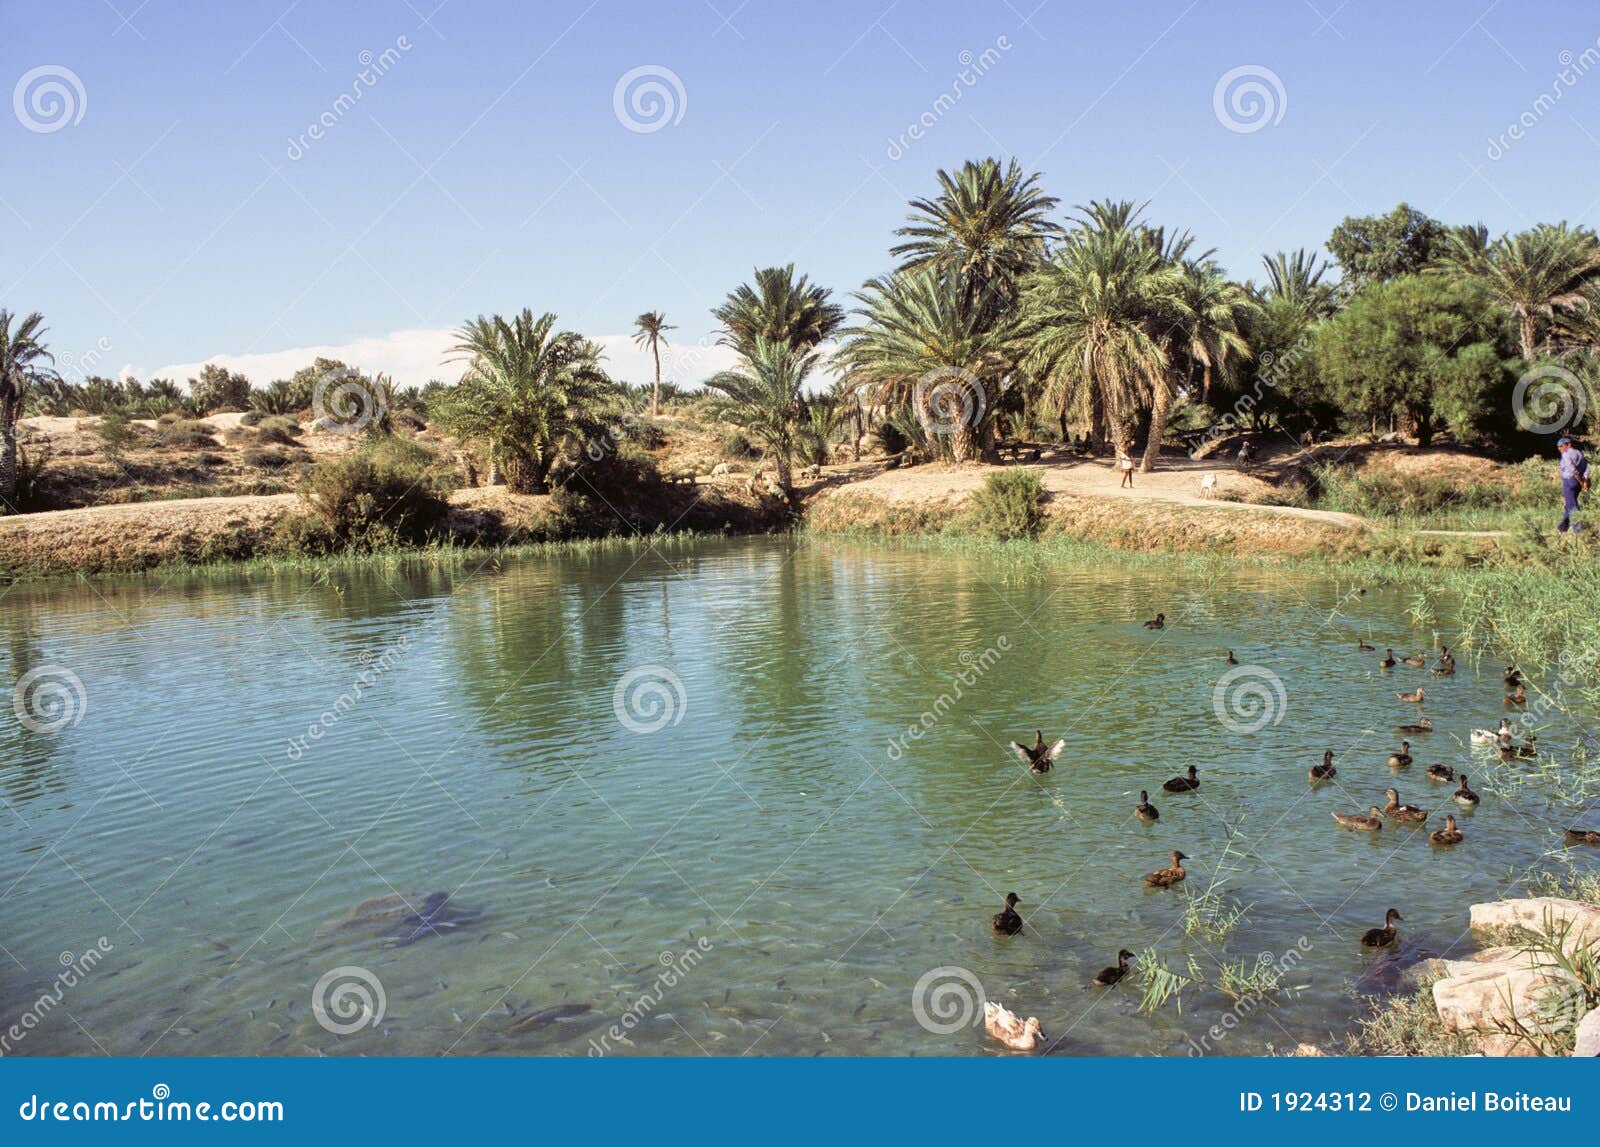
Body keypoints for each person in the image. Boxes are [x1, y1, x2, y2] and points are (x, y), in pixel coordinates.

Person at [1558, 435, 1589, 534]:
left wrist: (1580, 481)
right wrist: (1585, 480)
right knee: (1569, 504)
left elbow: (1572, 471)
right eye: (1558, 447)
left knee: (1572, 506)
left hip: (1569, 482)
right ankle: (1562, 528)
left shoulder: (1566, 455)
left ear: (1568, 445)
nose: (1560, 449)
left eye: (1561, 446)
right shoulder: (1579, 453)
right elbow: (1586, 468)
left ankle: (1578, 531)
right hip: (1577, 483)